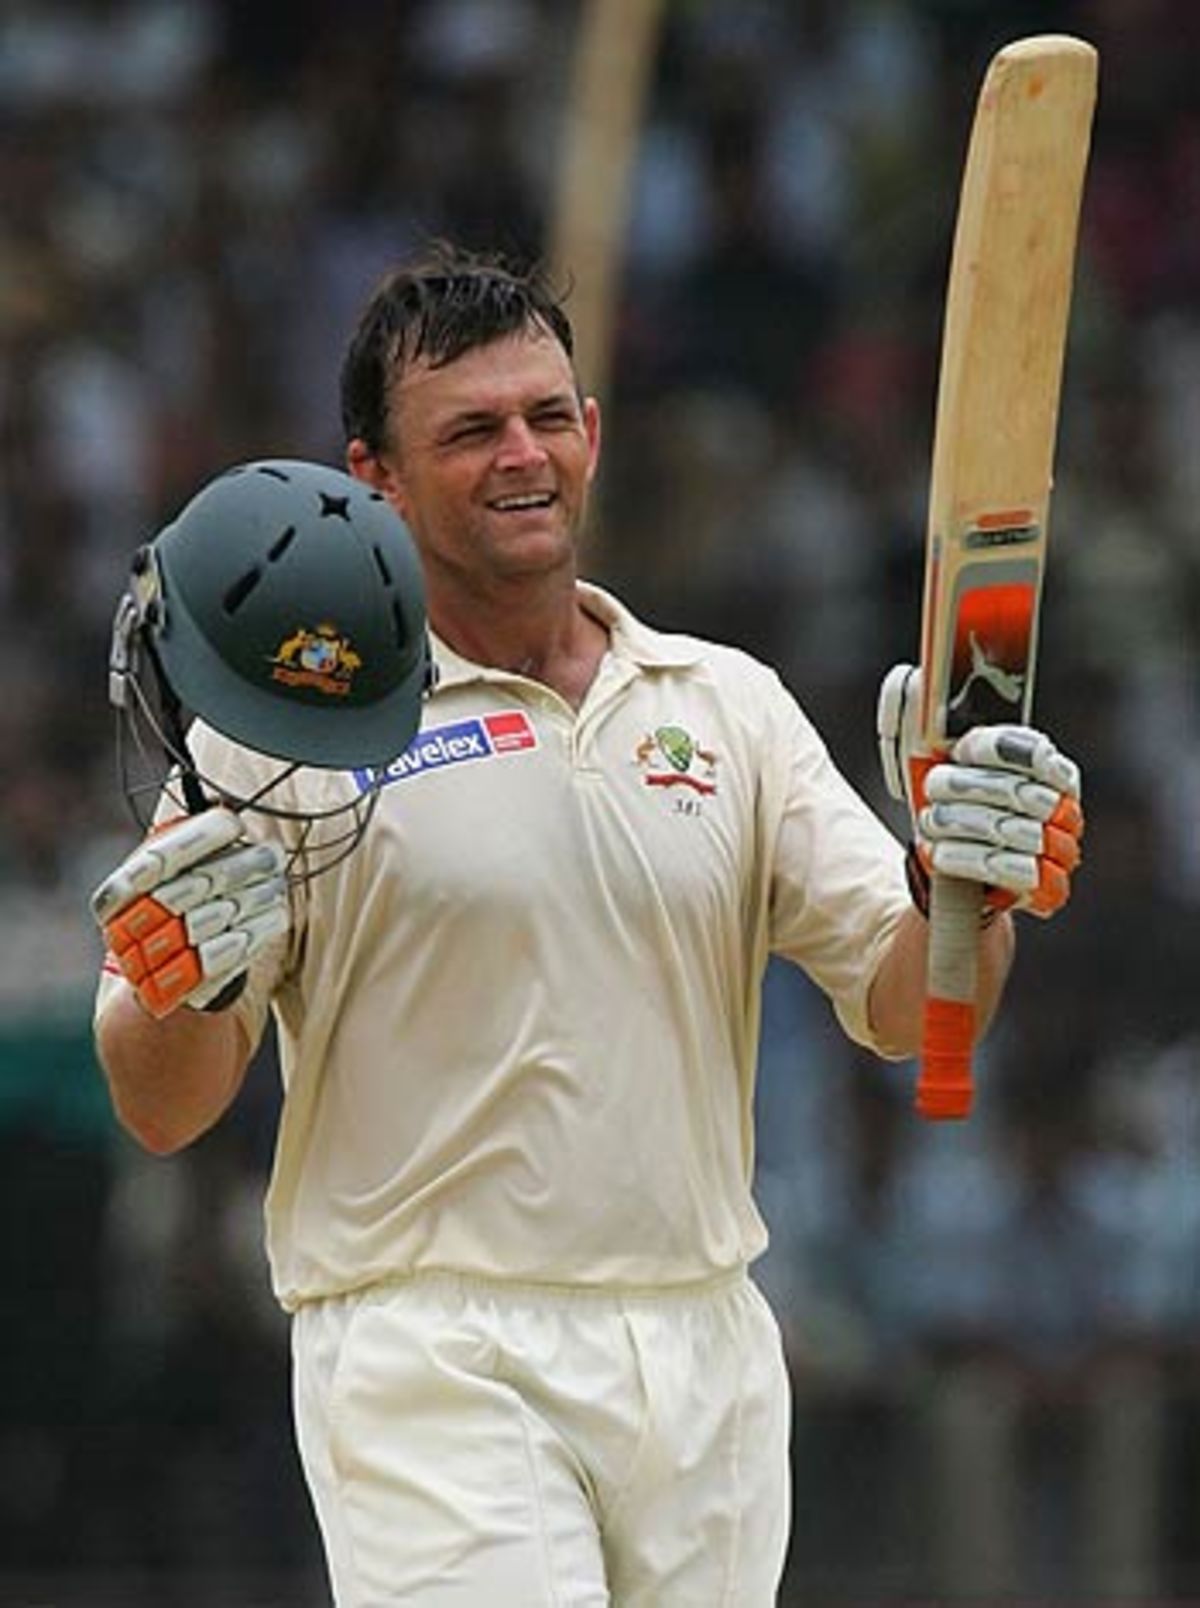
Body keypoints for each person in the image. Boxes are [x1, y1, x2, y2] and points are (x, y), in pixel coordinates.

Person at [91, 242, 1083, 1607]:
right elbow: (161, 1106)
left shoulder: (724, 704)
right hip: (432, 1348)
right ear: (374, 474)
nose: (523, 456)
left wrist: (962, 881)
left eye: (547, 416)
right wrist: (182, 986)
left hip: (701, 1342)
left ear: (593, 433)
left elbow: (919, 1007)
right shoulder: (285, 728)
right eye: (471, 431)